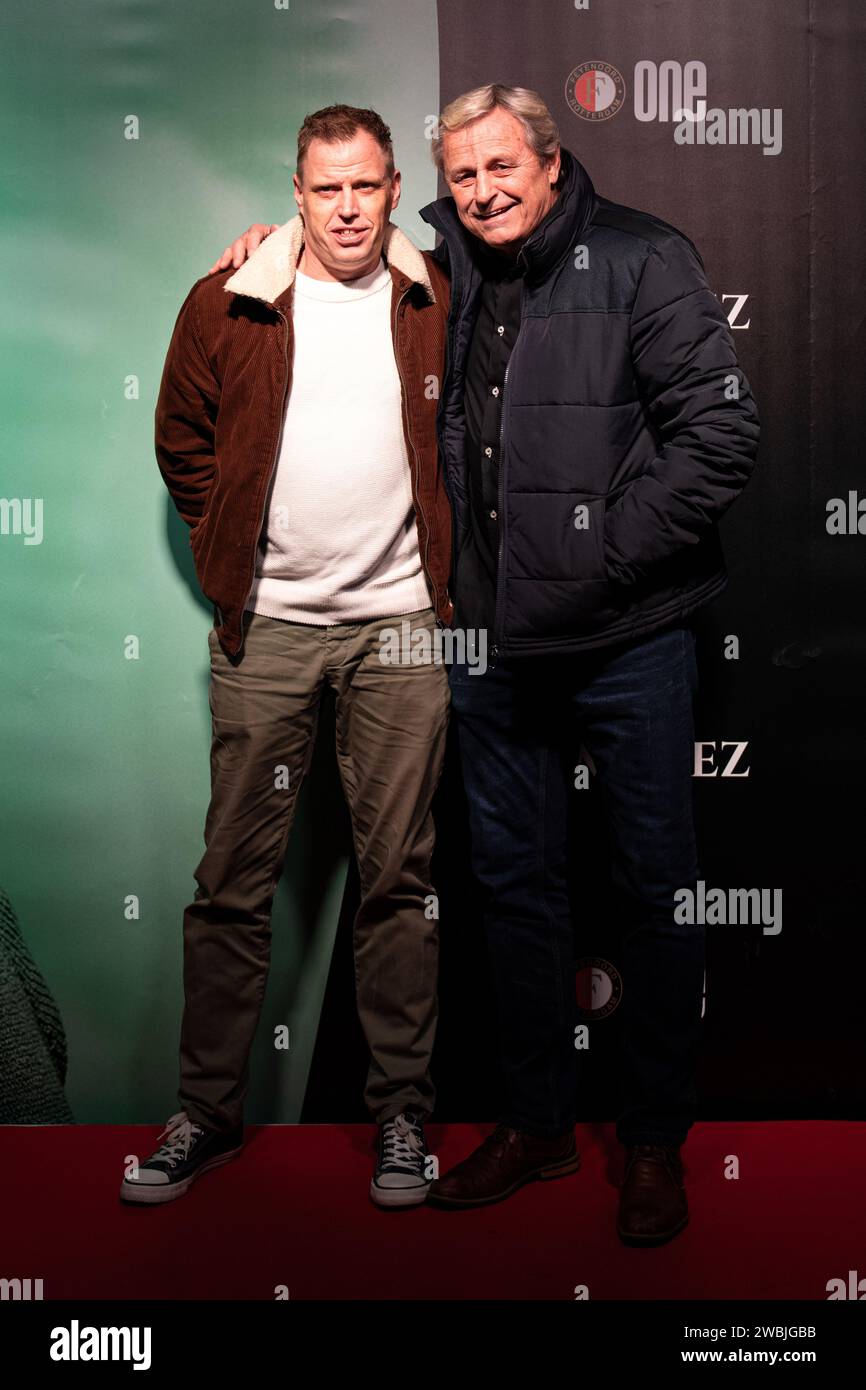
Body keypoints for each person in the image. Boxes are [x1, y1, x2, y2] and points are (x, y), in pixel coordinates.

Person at [209, 82, 760, 1245]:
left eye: (501, 167)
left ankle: (653, 1139)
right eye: (461, 175)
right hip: (494, 649)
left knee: (654, 890)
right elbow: (331, 272)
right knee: (511, 892)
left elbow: (719, 435)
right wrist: (255, 253)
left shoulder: (643, 258)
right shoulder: (441, 265)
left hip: (628, 637)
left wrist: (594, 556)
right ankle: (536, 1123)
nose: (483, 190)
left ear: (550, 163)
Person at [121, 105, 453, 1211]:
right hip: (267, 628)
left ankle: (401, 1118)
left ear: (394, 187)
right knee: (230, 886)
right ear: (296, 192)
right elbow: (181, 438)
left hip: (402, 625)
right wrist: (234, 554)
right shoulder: (229, 299)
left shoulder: (436, 297)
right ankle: (205, 1114)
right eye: (326, 189)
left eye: (366, 187)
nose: (347, 208)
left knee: (398, 880)